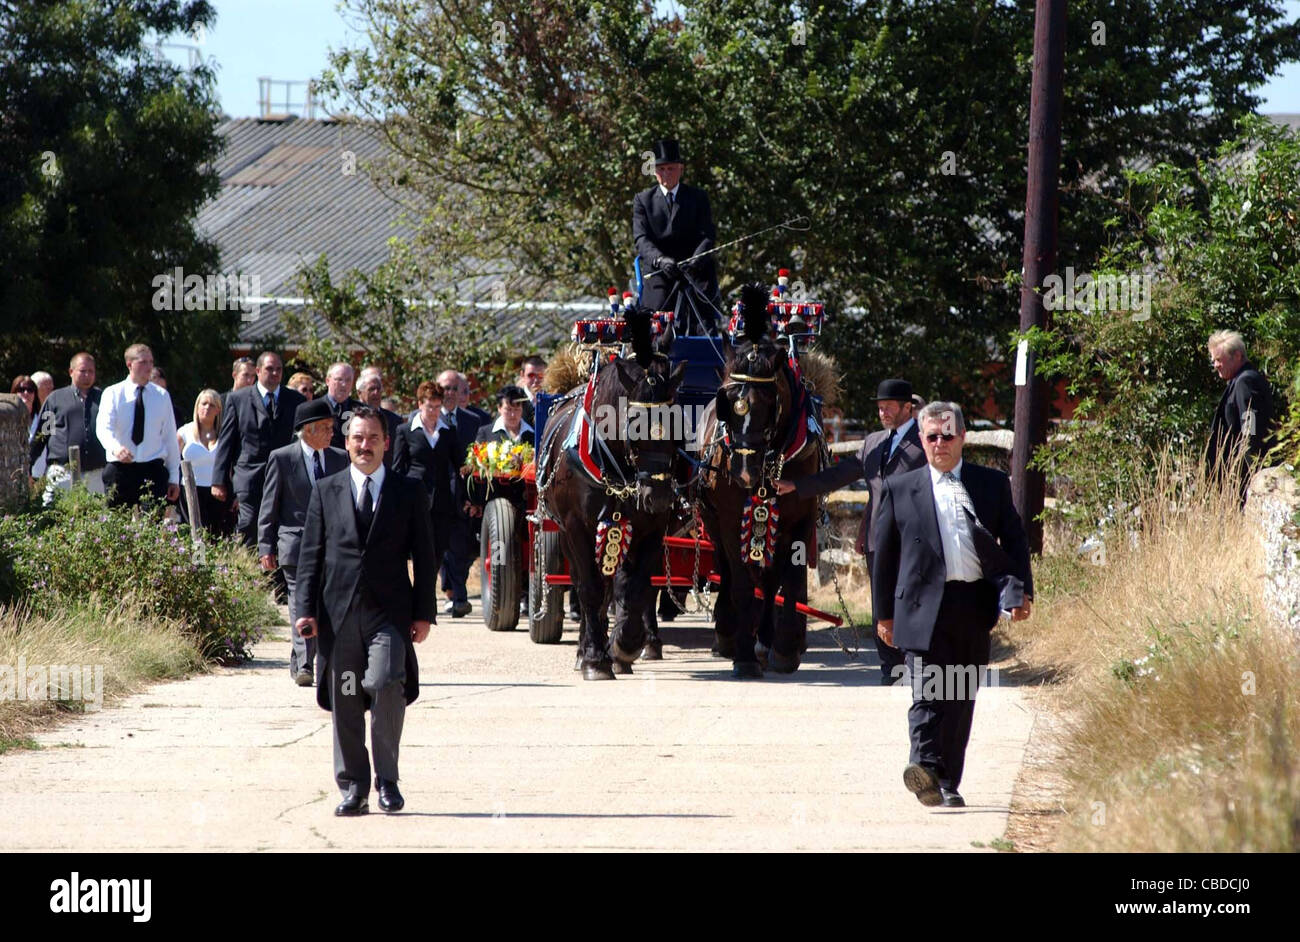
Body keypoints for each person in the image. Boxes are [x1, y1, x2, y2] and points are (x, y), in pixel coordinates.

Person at [872, 401, 1033, 809]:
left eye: (947, 435)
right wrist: (883, 614)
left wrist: (1018, 593)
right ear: (921, 440)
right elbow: (883, 558)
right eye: (931, 436)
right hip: (920, 607)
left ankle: (946, 780)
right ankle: (921, 764)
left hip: (971, 604)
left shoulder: (990, 485)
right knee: (927, 692)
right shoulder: (899, 489)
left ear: (962, 437)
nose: (939, 443)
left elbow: (1014, 541)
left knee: (959, 697)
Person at [295, 405, 437, 816]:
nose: (365, 445)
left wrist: (423, 612)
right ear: (346, 442)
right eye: (358, 438)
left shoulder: (407, 491)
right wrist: (304, 610)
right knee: (347, 698)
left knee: (388, 681)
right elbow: (310, 557)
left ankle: (387, 781)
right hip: (338, 619)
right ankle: (354, 787)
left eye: (373, 438)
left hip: (387, 615)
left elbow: (425, 557)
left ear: (386, 443)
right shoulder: (326, 490)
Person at [773, 378, 926, 683]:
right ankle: (890, 669)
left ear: (908, 407)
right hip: (877, 538)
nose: (882, 412)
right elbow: (841, 474)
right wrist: (798, 486)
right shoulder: (873, 442)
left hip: (914, 537)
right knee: (880, 602)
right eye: (880, 407)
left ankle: (915, 667)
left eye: (889, 407)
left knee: (911, 599)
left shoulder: (926, 444)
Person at [258, 398, 349, 686]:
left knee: (324, 603)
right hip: (295, 545)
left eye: (331, 427)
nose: (331, 432)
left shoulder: (340, 458)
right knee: (300, 603)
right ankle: (306, 665)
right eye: (324, 428)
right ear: (307, 430)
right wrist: (265, 546)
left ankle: (307, 658)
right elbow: (269, 504)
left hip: (332, 546)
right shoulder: (282, 458)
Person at [211, 351, 306, 546]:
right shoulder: (238, 399)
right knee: (249, 525)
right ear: (258, 371)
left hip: (284, 475)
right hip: (249, 476)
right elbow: (227, 442)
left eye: (279, 369)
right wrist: (218, 480)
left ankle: (276, 574)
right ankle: (248, 572)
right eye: (269, 369)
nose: (274, 373)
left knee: (281, 527)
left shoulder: (296, 400)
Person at [632, 138, 720, 333]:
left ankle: (706, 344)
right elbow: (641, 238)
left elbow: (708, 235)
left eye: (670, 169)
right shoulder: (642, 200)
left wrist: (696, 260)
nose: (665, 174)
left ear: (681, 169)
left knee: (703, 313)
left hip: (695, 270)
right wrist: (661, 260)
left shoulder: (698, 198)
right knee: (655, 317)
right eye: (660, 169)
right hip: (660, 271)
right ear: (654, 171)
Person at [394, 382, 466, 614]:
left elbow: (460, 467)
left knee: (436, 553)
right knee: (416, 552)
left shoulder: (448, 432)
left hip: (442, 503)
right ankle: (416, 598)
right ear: (419, 405)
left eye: (437, 406)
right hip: (414, 500)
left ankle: (425, 598)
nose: (434, 411)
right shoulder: (405, 431)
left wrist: (466, 496)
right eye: (429, 406)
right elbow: (398, 468)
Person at [94, 344, 180, 509]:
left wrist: (174, 478)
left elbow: (169, 437)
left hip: (152, 469)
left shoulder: (161, 396)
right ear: (129, 364)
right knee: (119, 526)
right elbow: (103, 427)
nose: (149, 367)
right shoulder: (113, 393)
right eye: (143, 362)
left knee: (152, 525)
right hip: (121, 468)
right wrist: (115, 448)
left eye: (151, 362)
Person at [434, 369, 485, 618]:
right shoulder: (425, 420)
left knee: (460, 548)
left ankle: (458, 595)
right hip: (434, 496)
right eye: (445, 388)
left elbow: (477, 462)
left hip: (462, 497)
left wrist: (476, 499)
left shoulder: (472, 421)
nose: (450, 394)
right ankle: (456, 596)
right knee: (437, 550)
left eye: (455, 389)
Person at [1205, 329, 1276, 501]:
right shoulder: (1241, 380)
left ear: (1236, 356)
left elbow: (1250, 428)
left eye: (1219, 360)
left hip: (1246, 475)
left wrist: (1253, 473)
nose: (1215, 365)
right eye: (1213, 360)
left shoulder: (1245, 381)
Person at [31, 353, 106, 496]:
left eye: (91, 371)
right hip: (62, 472)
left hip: (96, 473)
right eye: (83, 371)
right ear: (71, 372)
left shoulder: (103, 398)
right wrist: (28, 465)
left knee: (97, 517)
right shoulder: (55, 399)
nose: (87, 375)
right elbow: (43, 434)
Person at [175, 389, 230, 534]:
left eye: (212, 405)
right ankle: (195, 558)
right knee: (194, 534)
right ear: (197, 406)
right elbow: (172, 461)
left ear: (218, 410)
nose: (207, 408)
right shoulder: (184, 432)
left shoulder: (224, 434)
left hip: (217, 492)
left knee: (214, 535)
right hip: (189, 491)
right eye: (203, 404)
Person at [356, 365, 401, 464]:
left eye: (378, 389)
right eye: (371, 389)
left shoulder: (394, 420)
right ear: (360, 393)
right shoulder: (351, 417)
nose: (376, 393)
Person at [514, 356, 546, 426]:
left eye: (540, 375)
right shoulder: (514, 400)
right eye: (531, 375)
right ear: (522, 375)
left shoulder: (553, 399)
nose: (536, 380)